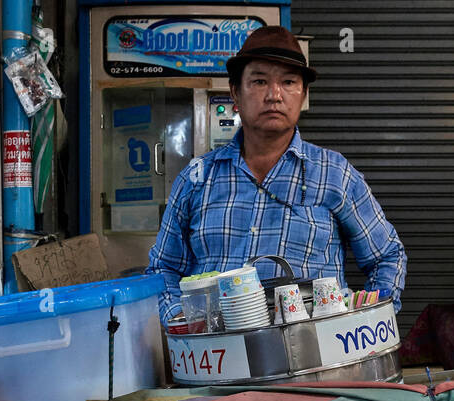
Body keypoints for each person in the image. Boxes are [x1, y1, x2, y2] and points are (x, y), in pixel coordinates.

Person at [147, 25, 407, 322]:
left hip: (315, 359)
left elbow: (387, 257)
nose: (274, 95)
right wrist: (181, 321)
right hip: (218, 359)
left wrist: (369, 321)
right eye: (259, 81)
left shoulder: (334, 174)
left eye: (288, 82)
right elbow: (162, 269)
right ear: (235, 92)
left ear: (303, 94)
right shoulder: (197, 179)